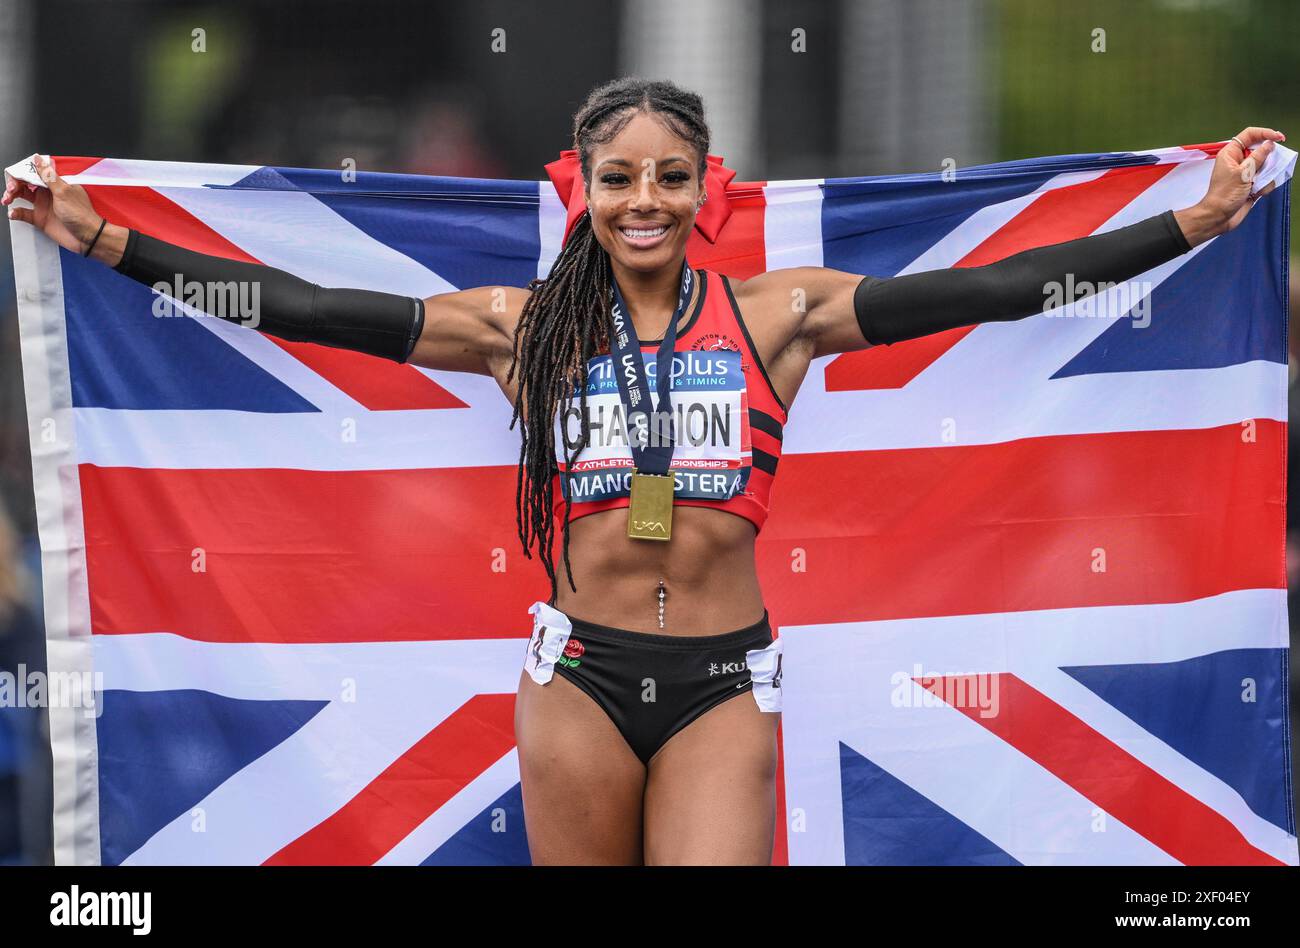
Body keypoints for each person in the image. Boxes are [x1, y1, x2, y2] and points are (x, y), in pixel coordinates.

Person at [4, 77, 1282, 865]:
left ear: (704, 189)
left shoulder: (782, 315)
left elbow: (991, 291)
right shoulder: (517, 329)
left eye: (669, 177)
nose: (644, 201)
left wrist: (1193, 219)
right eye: (618, 179)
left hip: (723, 683)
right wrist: (108, 241)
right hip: (575, 680)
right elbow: (307, 310)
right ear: (585, 191)